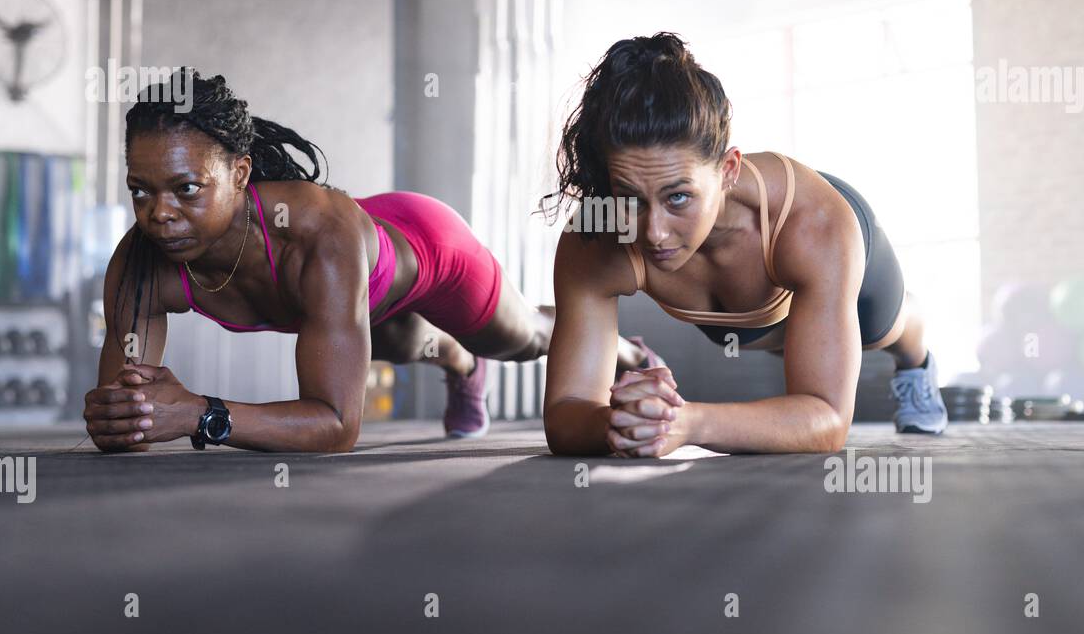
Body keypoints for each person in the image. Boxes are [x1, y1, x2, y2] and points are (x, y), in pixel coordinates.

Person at [83, 70, 659, 453]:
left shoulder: (314, 240)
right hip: (361, 291)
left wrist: (199, 413)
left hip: (430, 247)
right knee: (395, 344)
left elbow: (336, 423)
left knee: (521, 338)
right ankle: (459, 364)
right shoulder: (142, 260)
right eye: (141, 190)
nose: (159, 214)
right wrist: (125, 417)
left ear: (239, 174)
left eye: (186, 189)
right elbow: (127, 418)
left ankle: (628, 353)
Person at [541, 33, 948, 458]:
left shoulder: (815, 226)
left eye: (678, 197)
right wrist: (623, 420)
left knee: (883, 331)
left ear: (728, 170)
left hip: (841, 253)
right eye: (631, 198)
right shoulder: (594, 239)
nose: (654, 233)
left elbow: (826, 421)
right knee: (778, 339)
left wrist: (687, 422)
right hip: (744, 322)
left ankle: (916, 363)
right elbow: (566, 412)